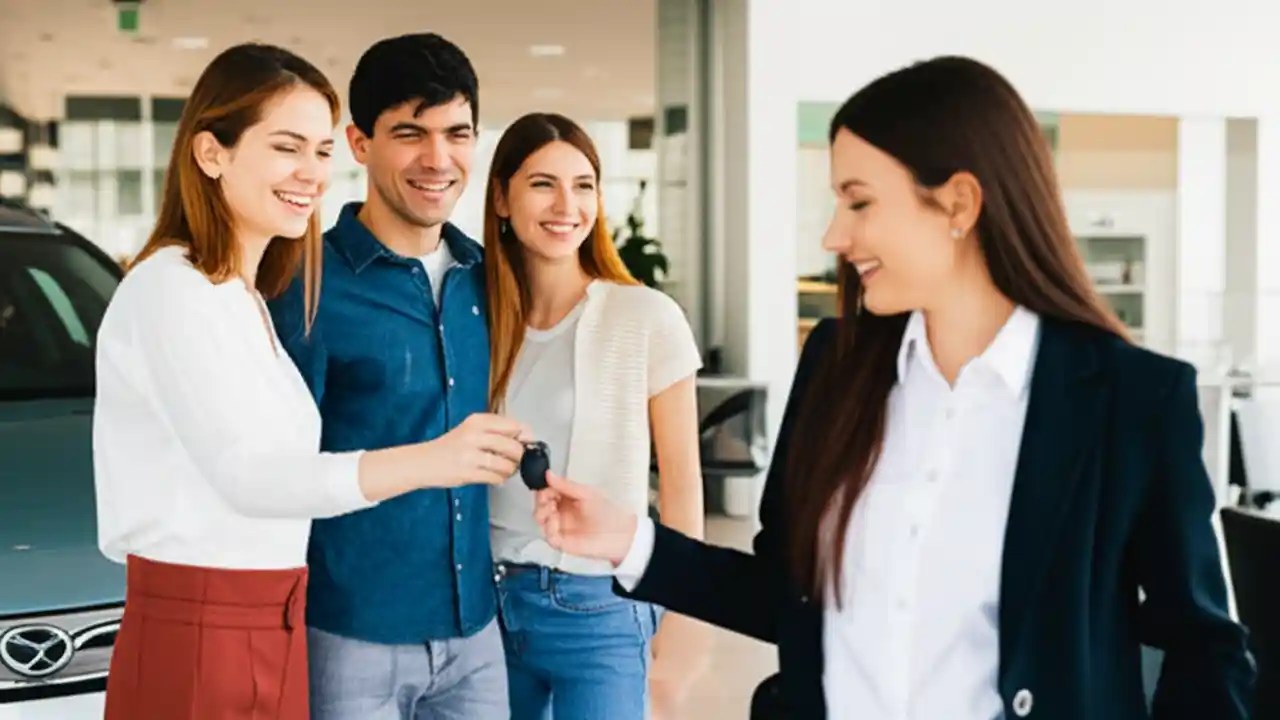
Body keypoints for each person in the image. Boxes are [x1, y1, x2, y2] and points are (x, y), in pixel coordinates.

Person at [532, 56, 1257, 720]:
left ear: (959, 204)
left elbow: (1205, 651)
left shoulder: (1131, 400)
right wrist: (630, 541)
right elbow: (787, 595)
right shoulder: (835, 368)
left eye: (858, 201)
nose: (833, 235)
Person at [93, 43, 527, 720]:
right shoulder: (170, 289)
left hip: (276, 616)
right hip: (204, 624)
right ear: (211, 154)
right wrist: (433, 460)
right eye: (286, 147)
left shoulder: (240, 297)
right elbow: (251, 478)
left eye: (320, 152)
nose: (311, 174)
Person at [267, 33, 513, 719]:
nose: (438, 159)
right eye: (410, 133)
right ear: (358, 142)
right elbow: (277, 470)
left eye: (456, 133)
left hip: (476, 635)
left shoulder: (488, 284)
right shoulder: (306, 285)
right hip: (351, 636)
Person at [482, 112, 711, 720]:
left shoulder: (645, 316)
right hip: (488, 607)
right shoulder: (475, 316)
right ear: (501, 197)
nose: (567, 205)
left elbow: (684, 485)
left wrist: (685, 627)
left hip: (601, 607)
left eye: (584, 185)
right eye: (543, 184)